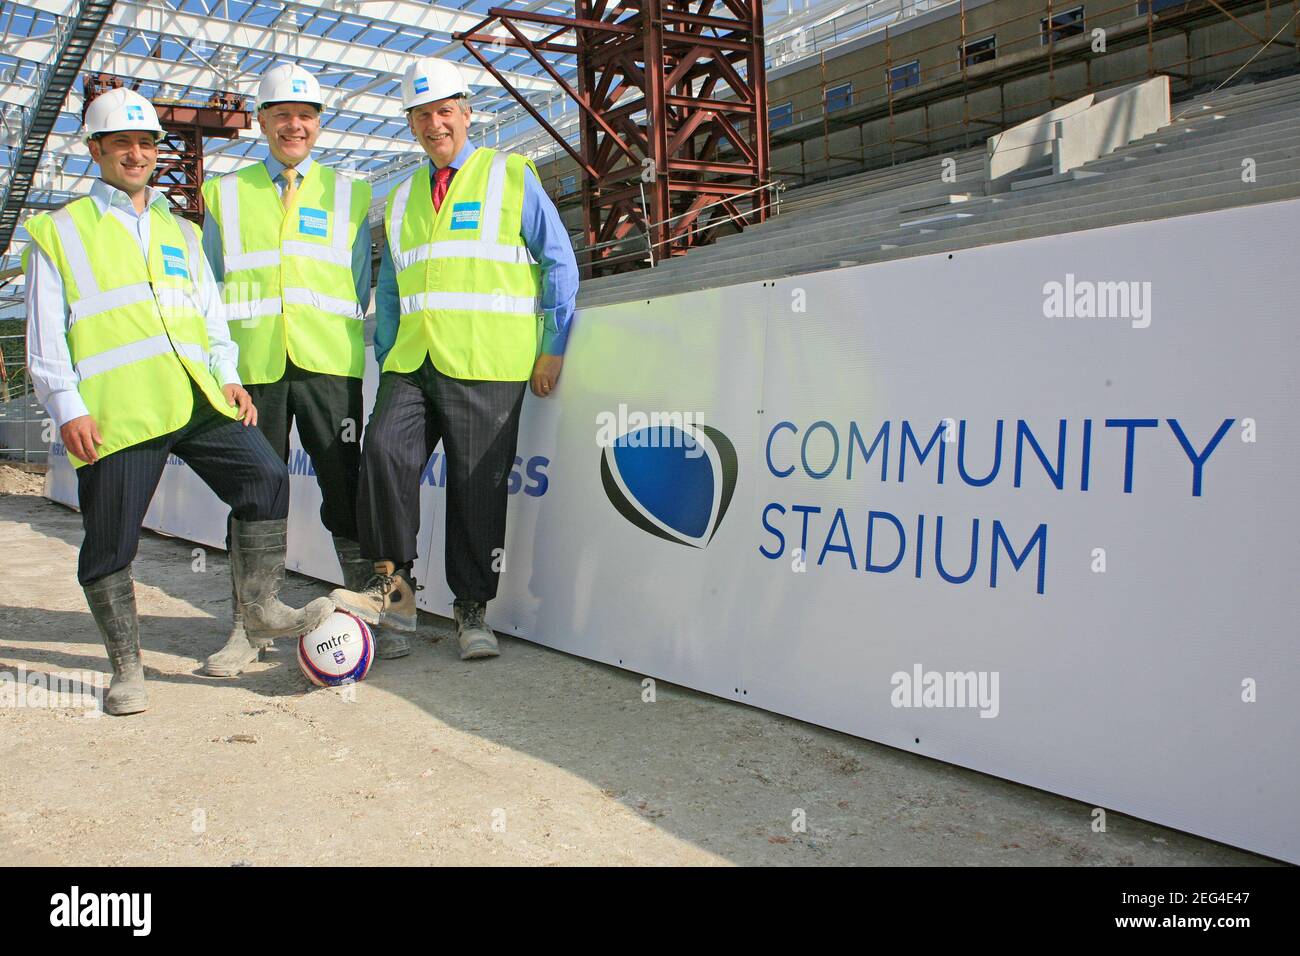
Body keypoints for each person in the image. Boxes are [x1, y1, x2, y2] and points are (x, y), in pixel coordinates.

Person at [23, 87, 332, 715]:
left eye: (145, 143)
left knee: (266, 477)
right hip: (116, 409)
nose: (136, 154)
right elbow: (44, 333)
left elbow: (208, 316)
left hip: (192, 394)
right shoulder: (60, 232)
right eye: (122, 144)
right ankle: (126, 668)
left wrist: (227, 374)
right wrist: (66, 405)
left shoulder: (181, 232)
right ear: (96, 151)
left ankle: (261, 609)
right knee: (110, 541)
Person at [329, 57, 578, 660]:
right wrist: (388, 353)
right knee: (383, 452)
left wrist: (553, 346)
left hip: (489, 362)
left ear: (467, 114)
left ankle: (472, 612)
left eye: (444, 111)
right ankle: (397, 591)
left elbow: (558, 263)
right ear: (411, 125)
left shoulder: (512, 174)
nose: (434, 124)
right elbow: (390, 286)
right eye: (422, 115)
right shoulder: (404, 193)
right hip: (412, 361)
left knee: (477, 487)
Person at [199, 63, 376, 673]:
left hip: (328, 364)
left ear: (319, 124)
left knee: (345, 485)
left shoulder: (351, 192)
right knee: (254, 493)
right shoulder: (224, 192)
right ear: (261, 122)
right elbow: (209, 288)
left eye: (304, 115)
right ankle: (248, 627)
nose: (293, 125)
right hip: (252, 370)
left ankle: (364, 612)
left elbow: (358, 283)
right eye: (281, 115)